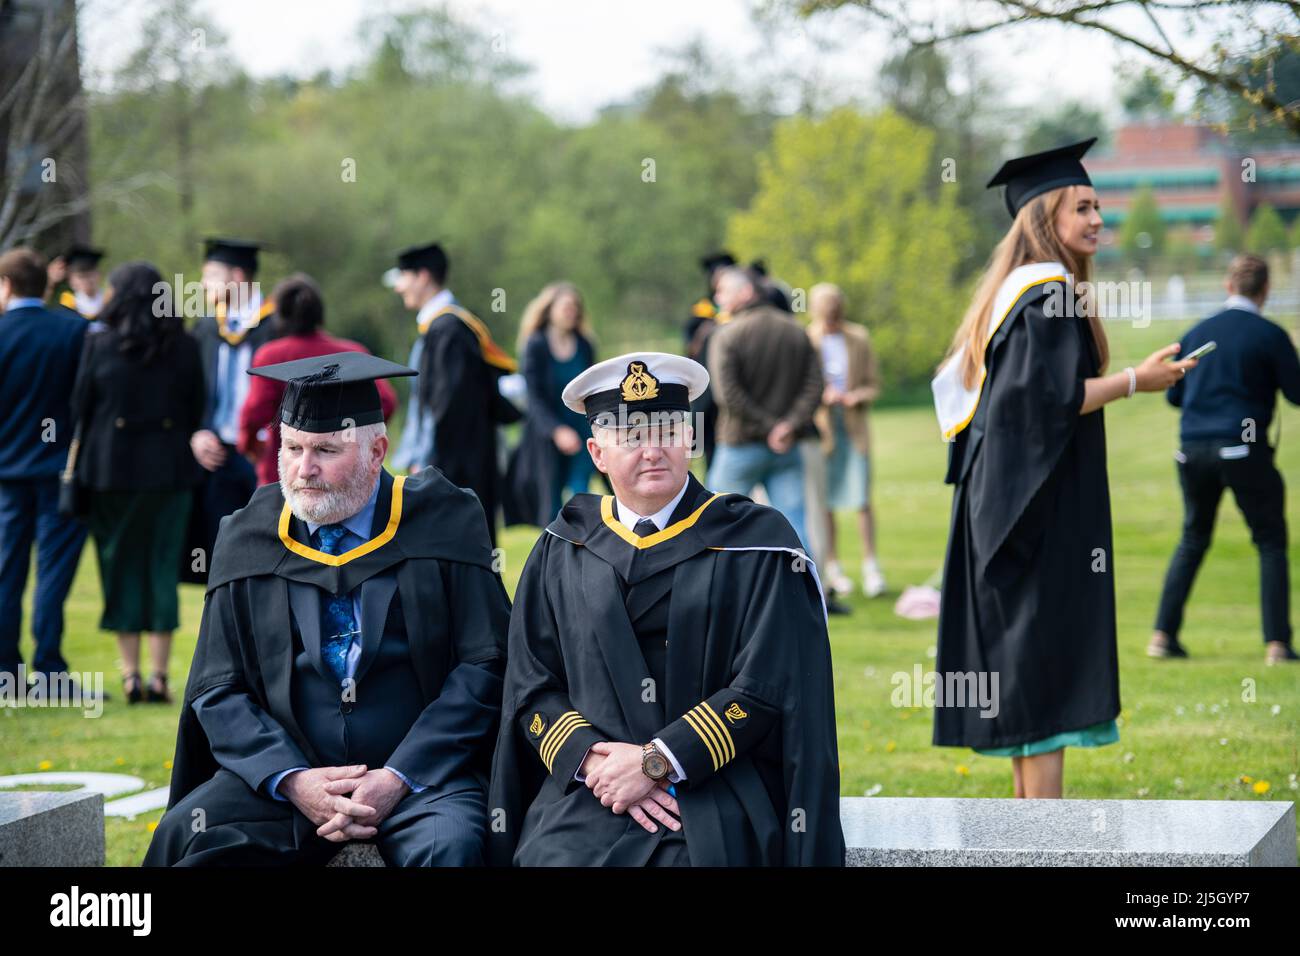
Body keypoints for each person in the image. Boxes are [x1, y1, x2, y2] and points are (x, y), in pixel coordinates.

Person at [144, 352, 510, 866]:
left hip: (424, 782)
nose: (303, 469)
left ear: (378, 449)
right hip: (284, 782)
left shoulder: (444, 521)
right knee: (191, 834)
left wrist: (397, 777)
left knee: (452, 848)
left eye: (325, 450)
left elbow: (485, 664)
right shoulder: (247, 536)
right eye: (291, 448)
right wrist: (292, 780)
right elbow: (217, 687)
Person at [487, 352, 844, 866]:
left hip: (715, 787)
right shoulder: (563, 547)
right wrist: (591, 762)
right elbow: (530, 684)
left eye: (668, 430)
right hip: (591, 789)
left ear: (691, 442)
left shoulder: (754, 545)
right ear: (597, 452)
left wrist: (659, 762)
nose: (652, 449)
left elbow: (768, 687)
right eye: (631, 436)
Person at [930, 138, 1197, 798]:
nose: (1098, 219)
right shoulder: (1045, 295)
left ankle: (1031, 839)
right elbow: (1051, 399)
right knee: (1042, 679)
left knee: (1029, 682)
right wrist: (1139, 379)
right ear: (1047, 217)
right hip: (1034, 509)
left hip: (1011, 501)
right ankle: (1045, 845)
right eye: (1083, 207)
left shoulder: (1016, 296)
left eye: (1098, 205)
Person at [1150, 253, 1300, 665]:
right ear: (1265, 290)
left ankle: (1162, 635)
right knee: (1270, 541)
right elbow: (1296, 394)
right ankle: (1277, 644)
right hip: (1242, 446)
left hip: (1192, 448)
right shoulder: (1269, 334)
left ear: (1228, 286)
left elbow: (1174, 394)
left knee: (1193, 538)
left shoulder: (1200, 331)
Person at [70, 262, 206, 704]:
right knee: (161, 569)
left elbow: (80, 408)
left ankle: (130, 675)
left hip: (111, 472)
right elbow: (196, 406)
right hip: (169, 471)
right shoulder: (184, 347)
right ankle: (161, 677)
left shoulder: (99, 343)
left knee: (119, 569)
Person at [0, 248, 92, 699]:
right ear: (47, 284)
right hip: (61, 470)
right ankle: (50, 668)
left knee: (6, 572)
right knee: (53, 573)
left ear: (6, 285)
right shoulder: (74, 330)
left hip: (6, 474)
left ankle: (5, 670)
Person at [395, 242, 519, 545]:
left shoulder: (450, 329)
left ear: (423, 277)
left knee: (460, 543)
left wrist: (426, 459)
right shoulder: (444, 327)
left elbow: (447, 405)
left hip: (457, 465)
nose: (399, 287)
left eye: (404, 277)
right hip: (461, 459)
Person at [239, 274, 397, 487]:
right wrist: (354, 436)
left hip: (286, 473)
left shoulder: (271, 356)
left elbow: (255, 412)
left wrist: (248, 444)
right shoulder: (351, 352)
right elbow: (386, 400)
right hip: (343, 470)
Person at [706, 265, 823, 552]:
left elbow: (727, 395)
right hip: (786, 445)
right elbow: (814, 387)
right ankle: (804, 590)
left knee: (713, 522)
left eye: (722, 291)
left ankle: (719, 592)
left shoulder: (727, 334)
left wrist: (772, 427)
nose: (717, 298)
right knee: (793, 527)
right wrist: (786, 427)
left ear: (746, 292)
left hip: (740, 444)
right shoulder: (796, 330)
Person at [187, 238, 279, 584]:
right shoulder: (206, 328)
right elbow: (189, 392)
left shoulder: (276, 326)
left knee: (269, 551)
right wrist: (196, 431)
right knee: (220, 555)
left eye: (211, 275)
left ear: (237, 276)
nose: (202, 285)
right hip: (218, 456)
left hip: (266, 457)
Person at [807, 282, 886, 598]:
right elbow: (803, 388)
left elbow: (874, 384)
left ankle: (871, 567)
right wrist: (822, 396)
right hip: (822, 430)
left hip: (854, 429)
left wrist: (855, 397)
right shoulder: (806, 339)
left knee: (862, 498)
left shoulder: (859, 337)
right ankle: (833, 567)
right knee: (824, 501)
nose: (831, 320)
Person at [503, 281, 597, 527]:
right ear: (549, 309)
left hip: (581, 426)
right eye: (566, 306)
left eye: (575, 307)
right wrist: (557, 431)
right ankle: (554, 552)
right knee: (551, 500)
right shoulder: (535, 345)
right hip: (547, 431)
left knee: (581, 491)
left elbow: (592, 389)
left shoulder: (584, 344)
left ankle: (584, 545)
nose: (571, 312)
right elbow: (533, 398)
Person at [684, 251, 736, 469]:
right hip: (707, 384)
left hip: (731, 383)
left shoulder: (738, 308)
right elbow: (689, 340)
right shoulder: (703, 307)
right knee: (707, 437)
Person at [50, 245, 106, 322]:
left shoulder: (111, 299)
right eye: (81, 276)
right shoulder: (68, 309)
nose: (87, 280)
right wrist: (50, 282)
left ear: (98, 274)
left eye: (90, 274)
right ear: (71, 281)